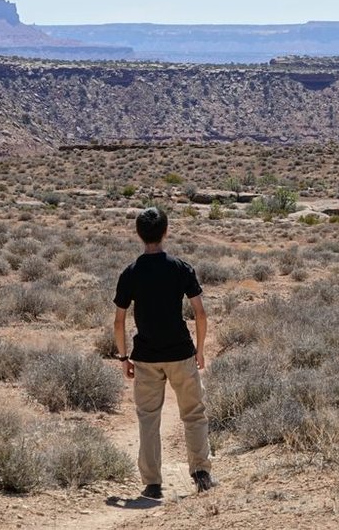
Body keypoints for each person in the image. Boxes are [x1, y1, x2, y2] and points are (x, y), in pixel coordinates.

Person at [112, 206, 213, 499]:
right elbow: (200, 313)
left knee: (148, 418)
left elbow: (119, 320)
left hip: (145, 356)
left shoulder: (130, 272)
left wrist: (123, 357)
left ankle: (153, 483)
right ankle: (201, 474)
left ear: (139, 234)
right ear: (165, 232)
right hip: (181, 353)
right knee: (193, 414)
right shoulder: (181, 268)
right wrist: (200, 350)